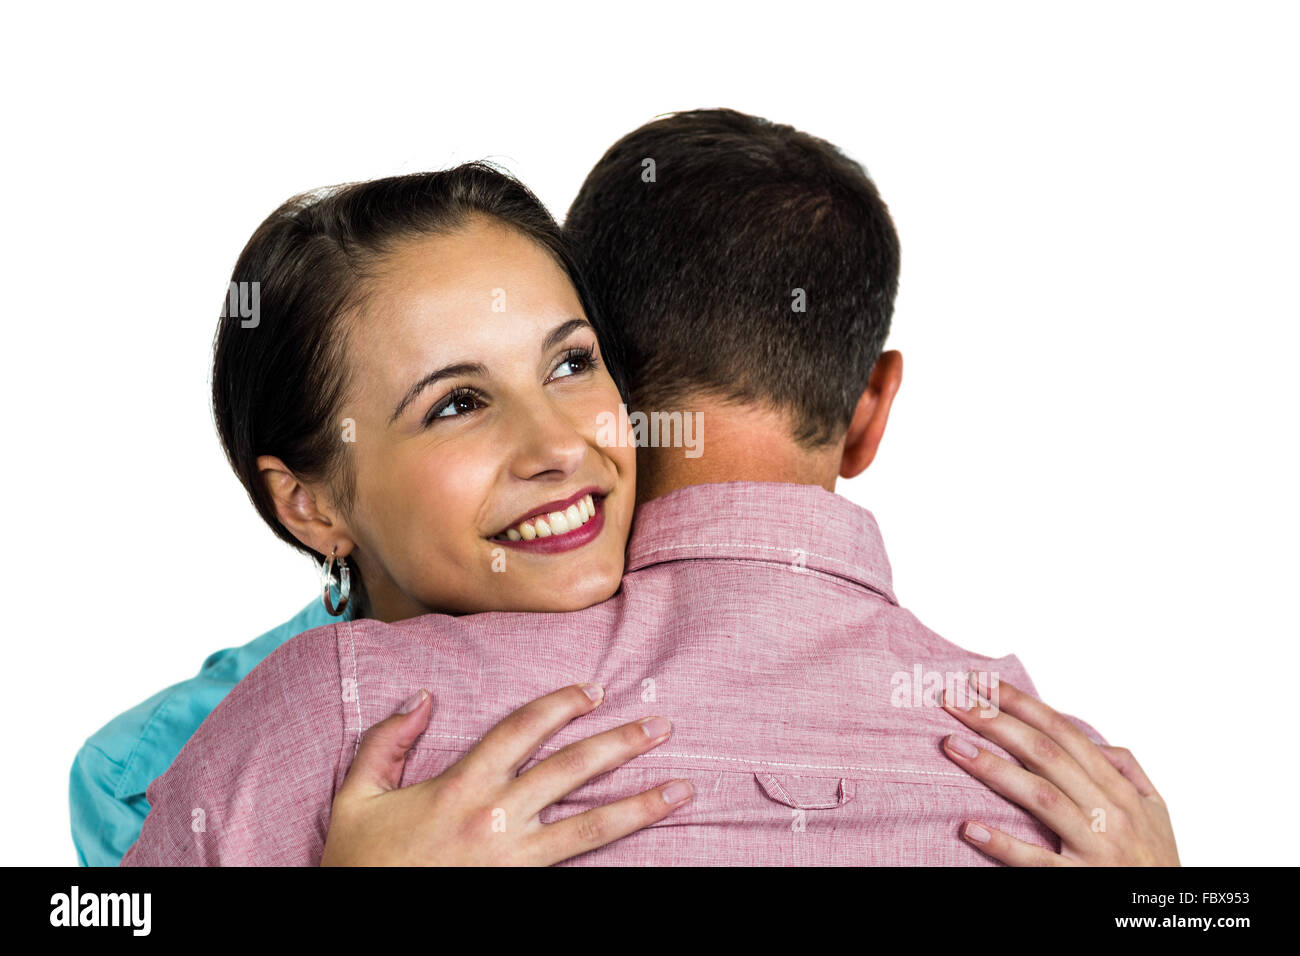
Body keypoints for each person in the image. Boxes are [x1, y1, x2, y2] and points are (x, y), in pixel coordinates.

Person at [119, 110, 1178, 866]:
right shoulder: (1054, 766)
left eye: (571, 364)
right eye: (454, 403)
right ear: (309, 503)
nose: (555, 445)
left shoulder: (308, 721)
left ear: (625, 369)